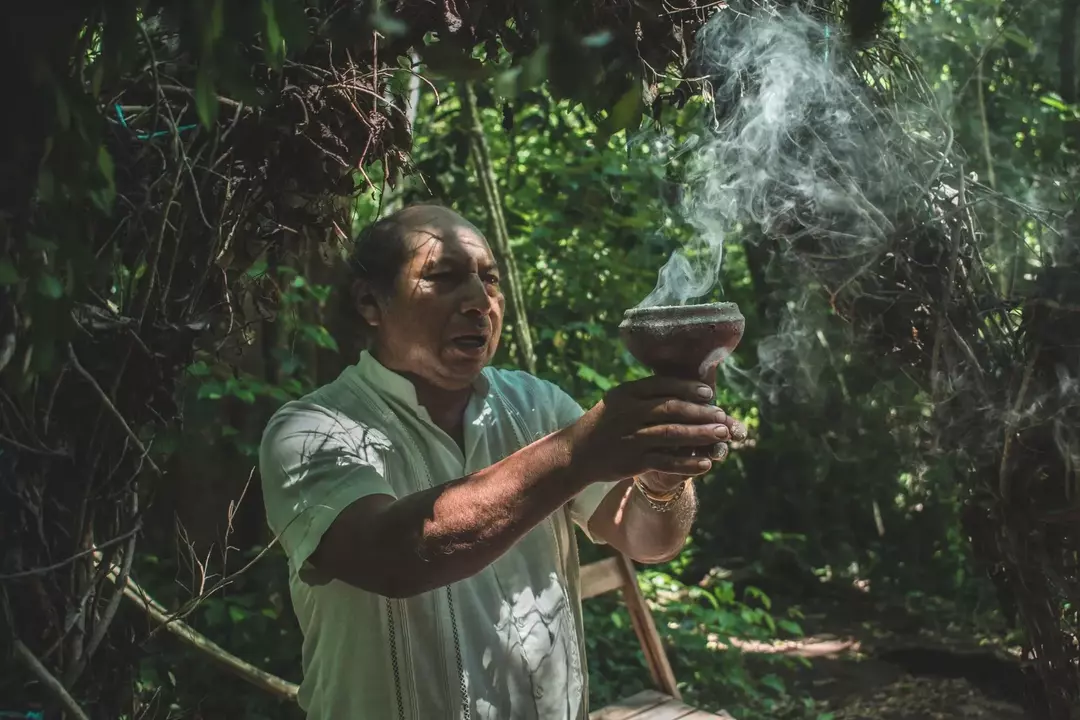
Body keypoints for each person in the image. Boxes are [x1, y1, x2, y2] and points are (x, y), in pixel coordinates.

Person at [259, 203, 746, 720]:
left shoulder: (537, 403)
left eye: (489, 281)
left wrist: (663, 478)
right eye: (443, 277)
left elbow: (648, 540)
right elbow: (391, 558)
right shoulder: (310, 430)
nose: (478, 301)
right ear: (370, 303)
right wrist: (580, 452)